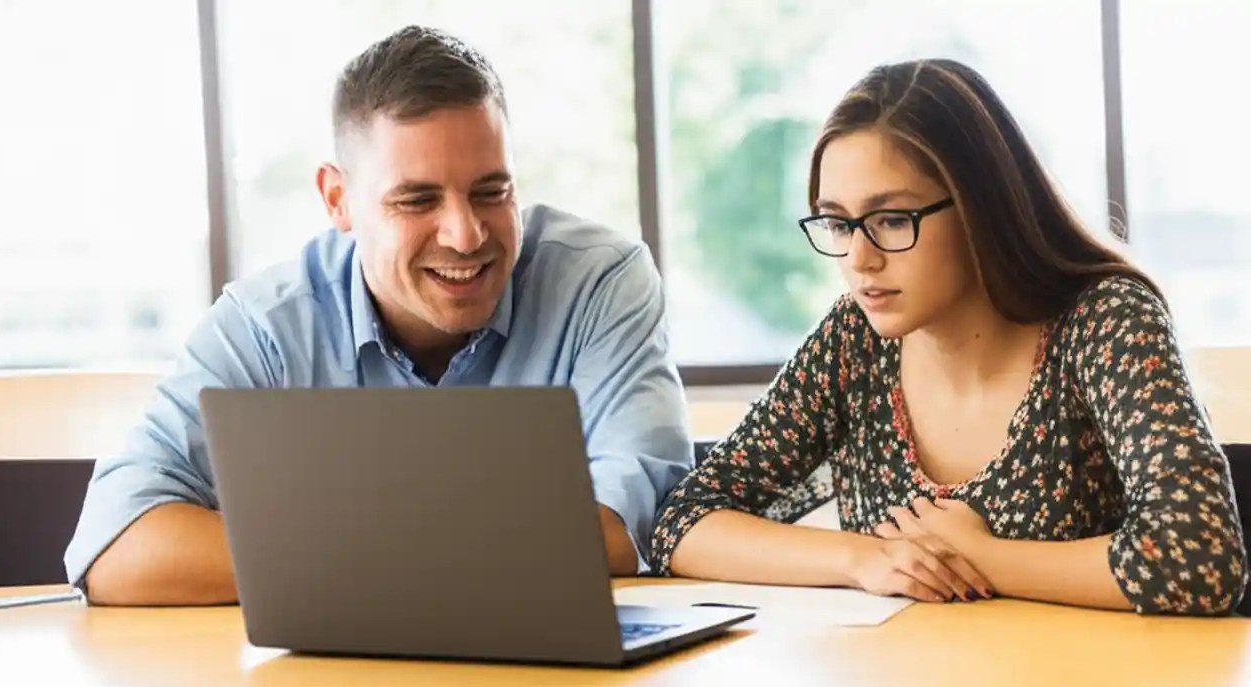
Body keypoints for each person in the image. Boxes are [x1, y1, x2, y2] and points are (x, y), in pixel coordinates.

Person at [65, 26, 691, 605]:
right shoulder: (267, 325)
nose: (467, 234)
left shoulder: (599, 282)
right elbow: (119, 544)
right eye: (417, 199)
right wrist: (413, 558)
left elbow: (634, 525)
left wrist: (339, 555)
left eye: (491, 192)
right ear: (338, 199)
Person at [650, 58, 1247, 616]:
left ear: (979, 208)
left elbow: (1200, 559)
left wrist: (983, 557)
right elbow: (684, 522)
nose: (860, 258)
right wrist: (862, 558)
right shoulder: (854, 339)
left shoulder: (1106, 322)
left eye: (890, 220)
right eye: (838, 223)